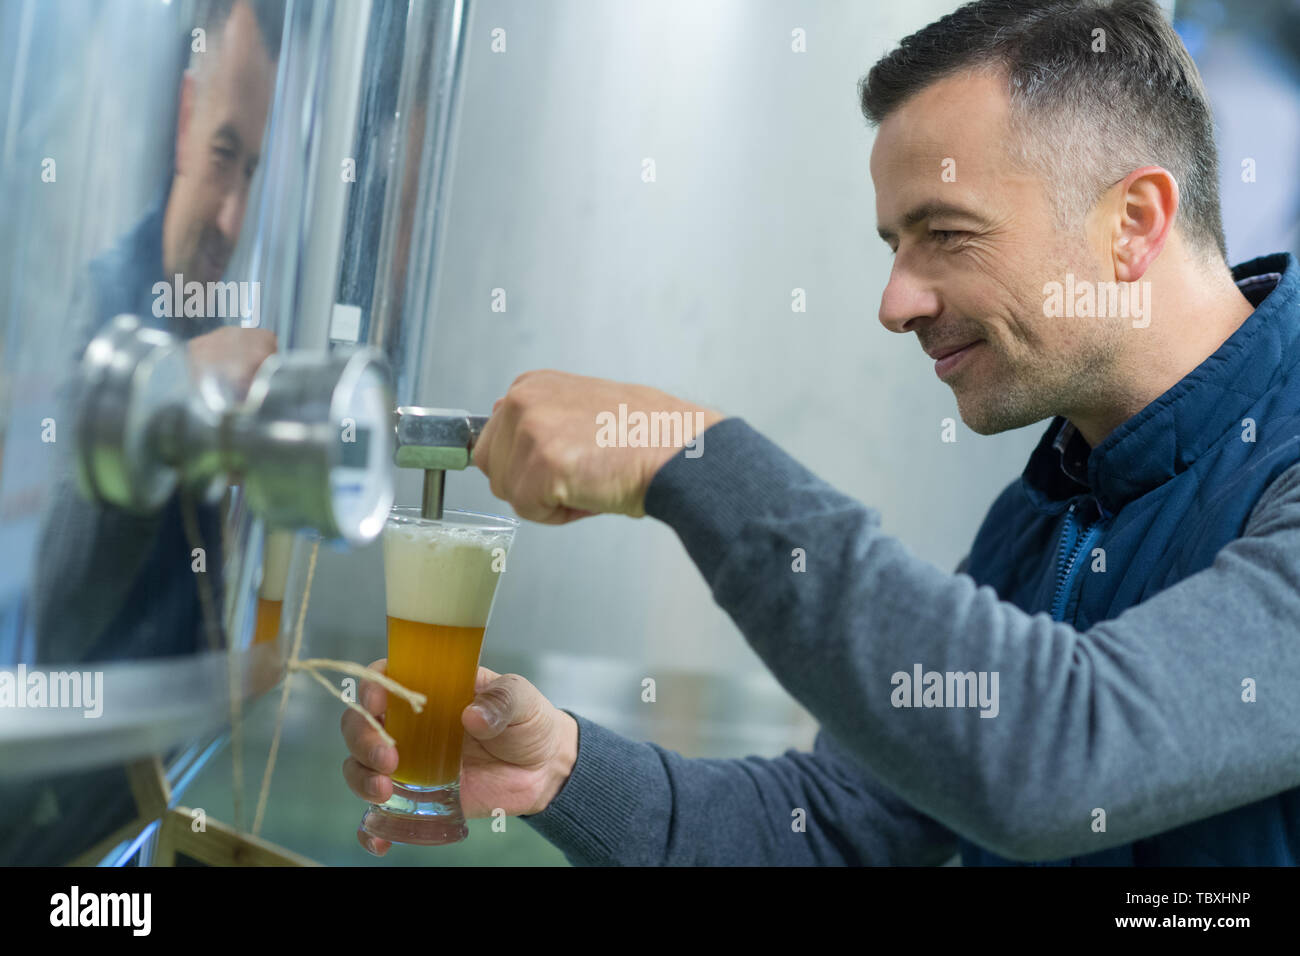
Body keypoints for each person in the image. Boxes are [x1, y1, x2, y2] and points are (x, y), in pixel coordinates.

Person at [343, 0, 1300, 865]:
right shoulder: (1058, 498)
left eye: (948, 233)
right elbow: (840, 824)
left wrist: (691, 455)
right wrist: (561, 769)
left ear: (1134, 221)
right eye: (894, 245)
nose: (895, 302)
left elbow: (1063, 757)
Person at [1, 0, 283, 867]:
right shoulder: (92, 311)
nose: (233, 218)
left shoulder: (216, 316)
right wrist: (172, 399)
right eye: (223, 157)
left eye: (254, 174)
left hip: (160, 808)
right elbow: (52, 618)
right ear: (180, 117)